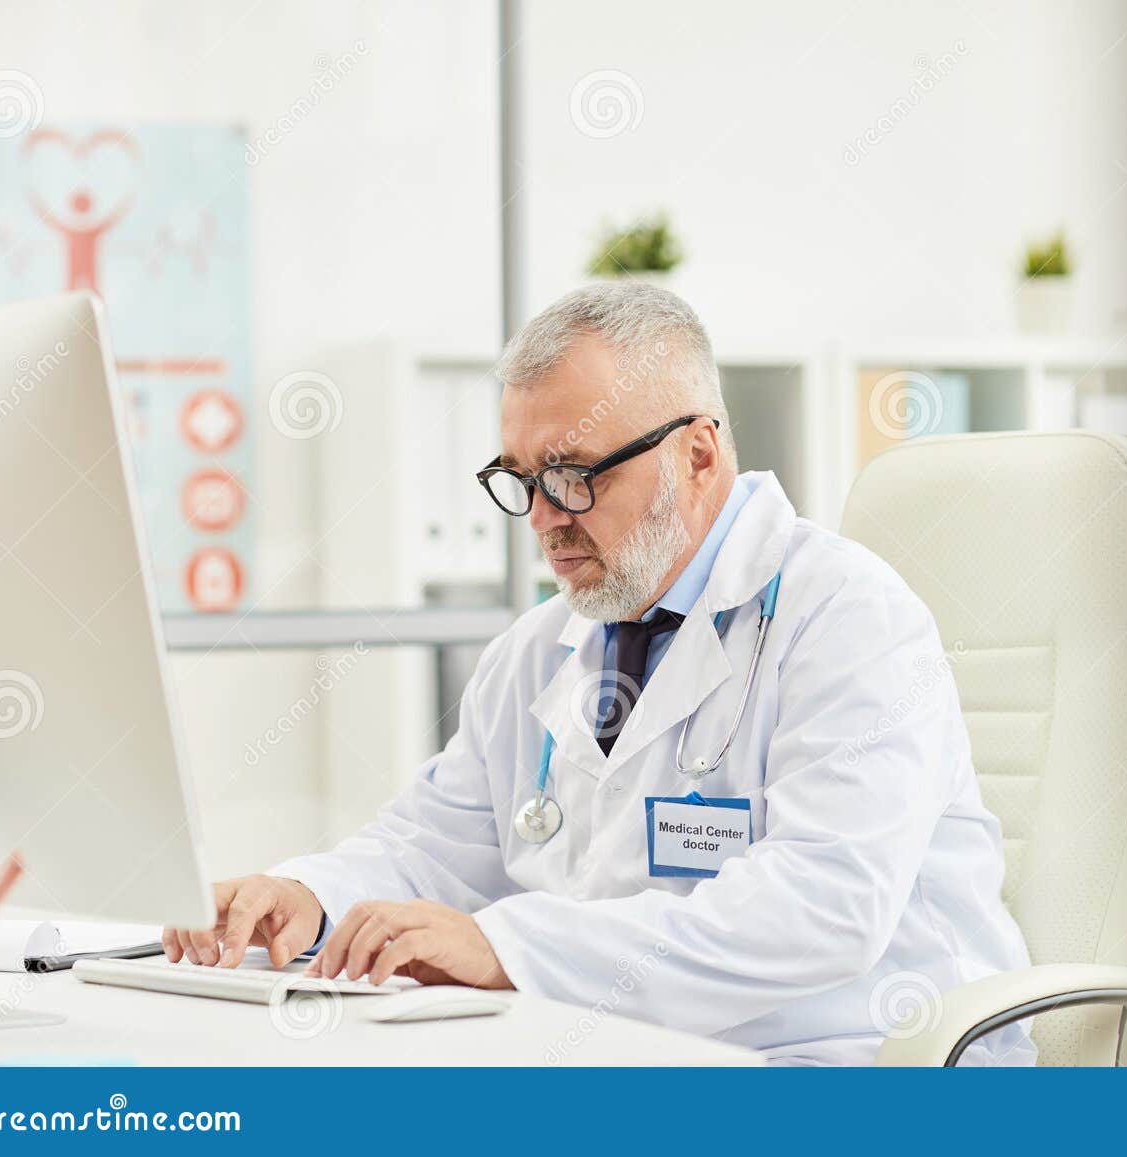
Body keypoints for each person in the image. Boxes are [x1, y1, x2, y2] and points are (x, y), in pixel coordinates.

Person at [163, 283, 1032, 1065]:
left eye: (573, 475)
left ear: (697, 454)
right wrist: (306, 899)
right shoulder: (542, 647)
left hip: (851, 1064)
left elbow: (825, 906)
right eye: (521, 479)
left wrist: (509, 949)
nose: (541, 518)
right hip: (629, 1059)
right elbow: (430, 848)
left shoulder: (846, 617)